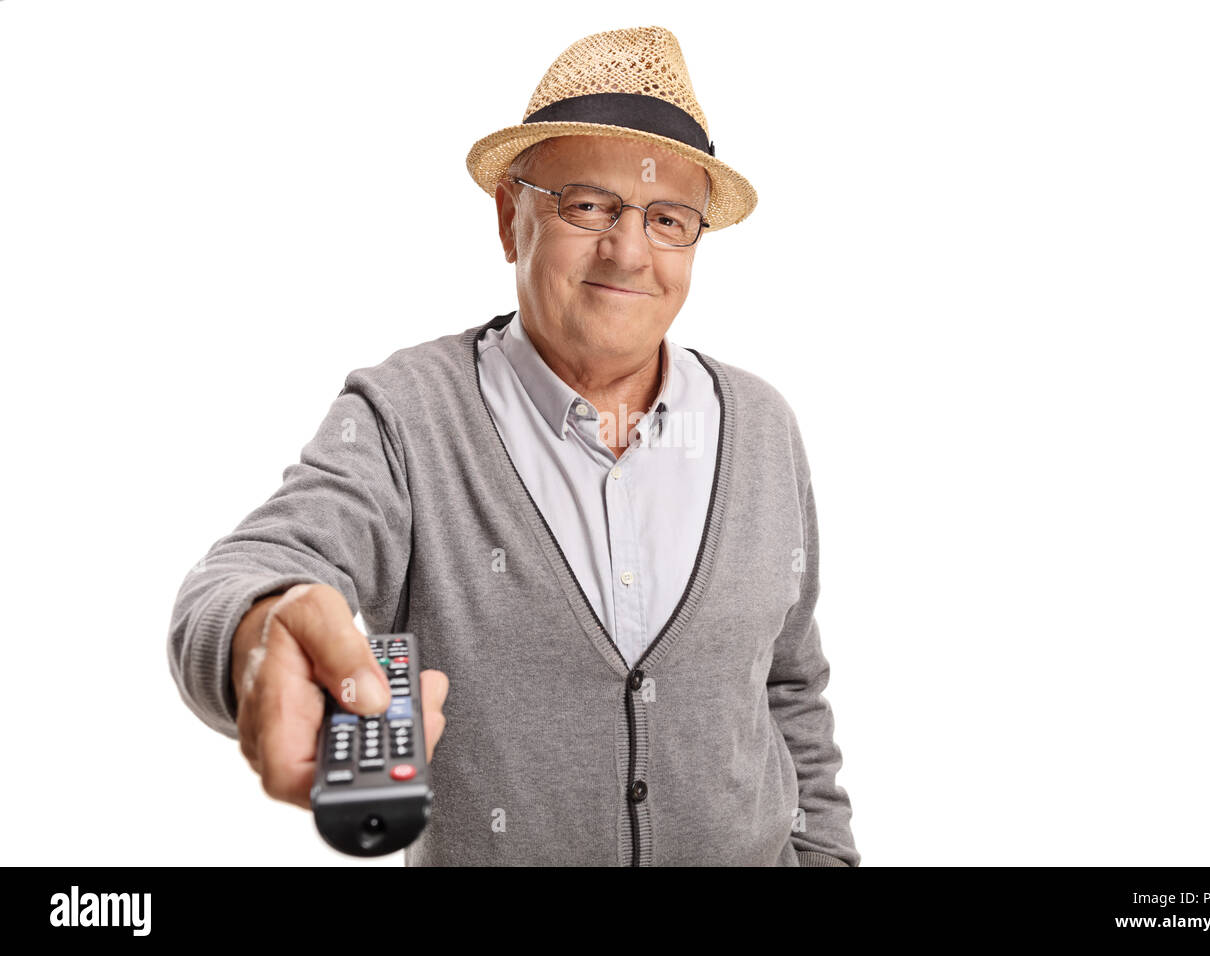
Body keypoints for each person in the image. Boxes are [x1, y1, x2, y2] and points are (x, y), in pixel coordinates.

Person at [169, 24, 859, 866]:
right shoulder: (405, 415)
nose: (629, 250)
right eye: (589, 206)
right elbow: (250, 569)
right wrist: (260, 633)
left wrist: (825, 856)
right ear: (510, 218)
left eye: (668, 218)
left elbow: (791, 685)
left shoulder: (762, 424)